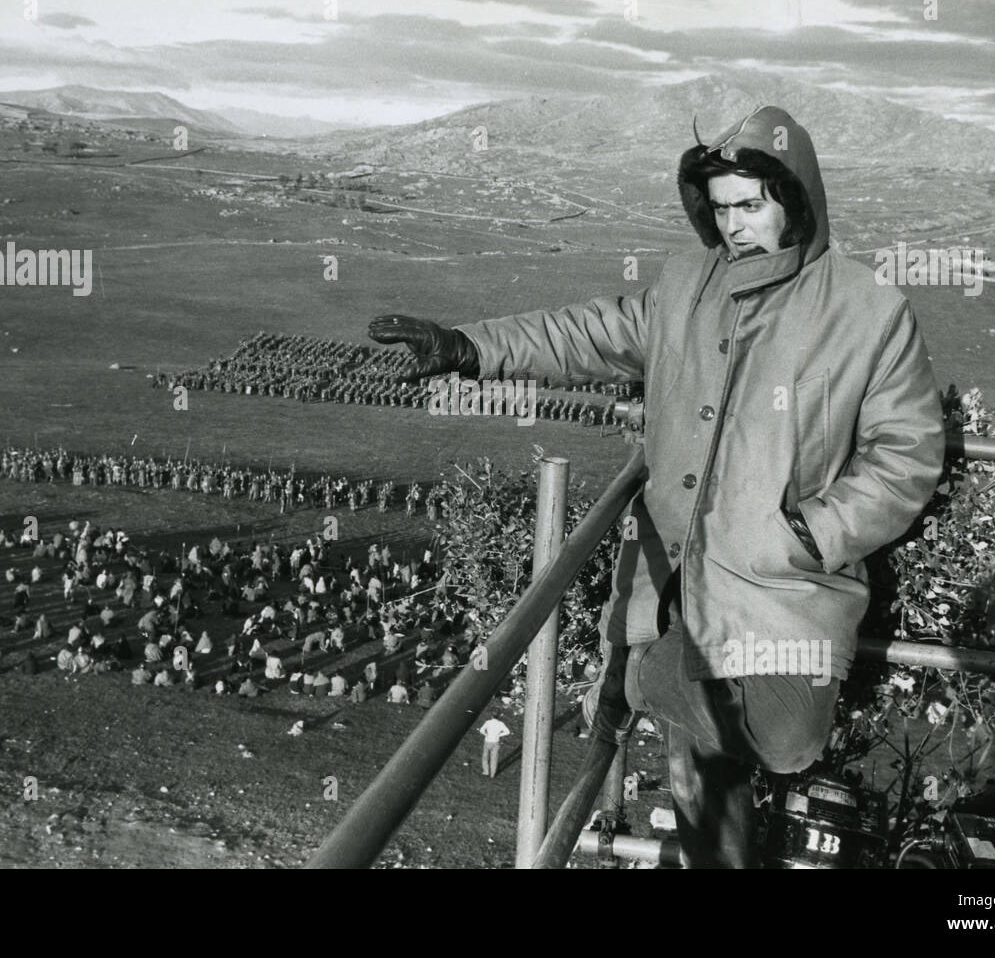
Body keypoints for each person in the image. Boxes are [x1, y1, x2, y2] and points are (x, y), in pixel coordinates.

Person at [370, 105, 945, 866]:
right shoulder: (684, 286)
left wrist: (810, 533)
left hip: (782, 582)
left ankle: (638, 683)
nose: (735, 226)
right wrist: (470, 346)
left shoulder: (869, 311)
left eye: (752, 205)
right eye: (721, 208)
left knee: (789, 741)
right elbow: (584, 333)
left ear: (796, 198)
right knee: (705, 785)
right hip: (674, 581)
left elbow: (906, 454)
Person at [478, 713, 510, 778]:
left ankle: (486, 772)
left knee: (485, 757)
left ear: (491, 716)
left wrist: (486, 734)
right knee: (494, 759)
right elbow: (507, 732)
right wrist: (499, 735)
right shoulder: (501, 723)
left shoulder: (488, 722)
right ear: (498, 716)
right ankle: (492, 774)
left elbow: (481, 730)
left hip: (487, 741)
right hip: (496, 742)